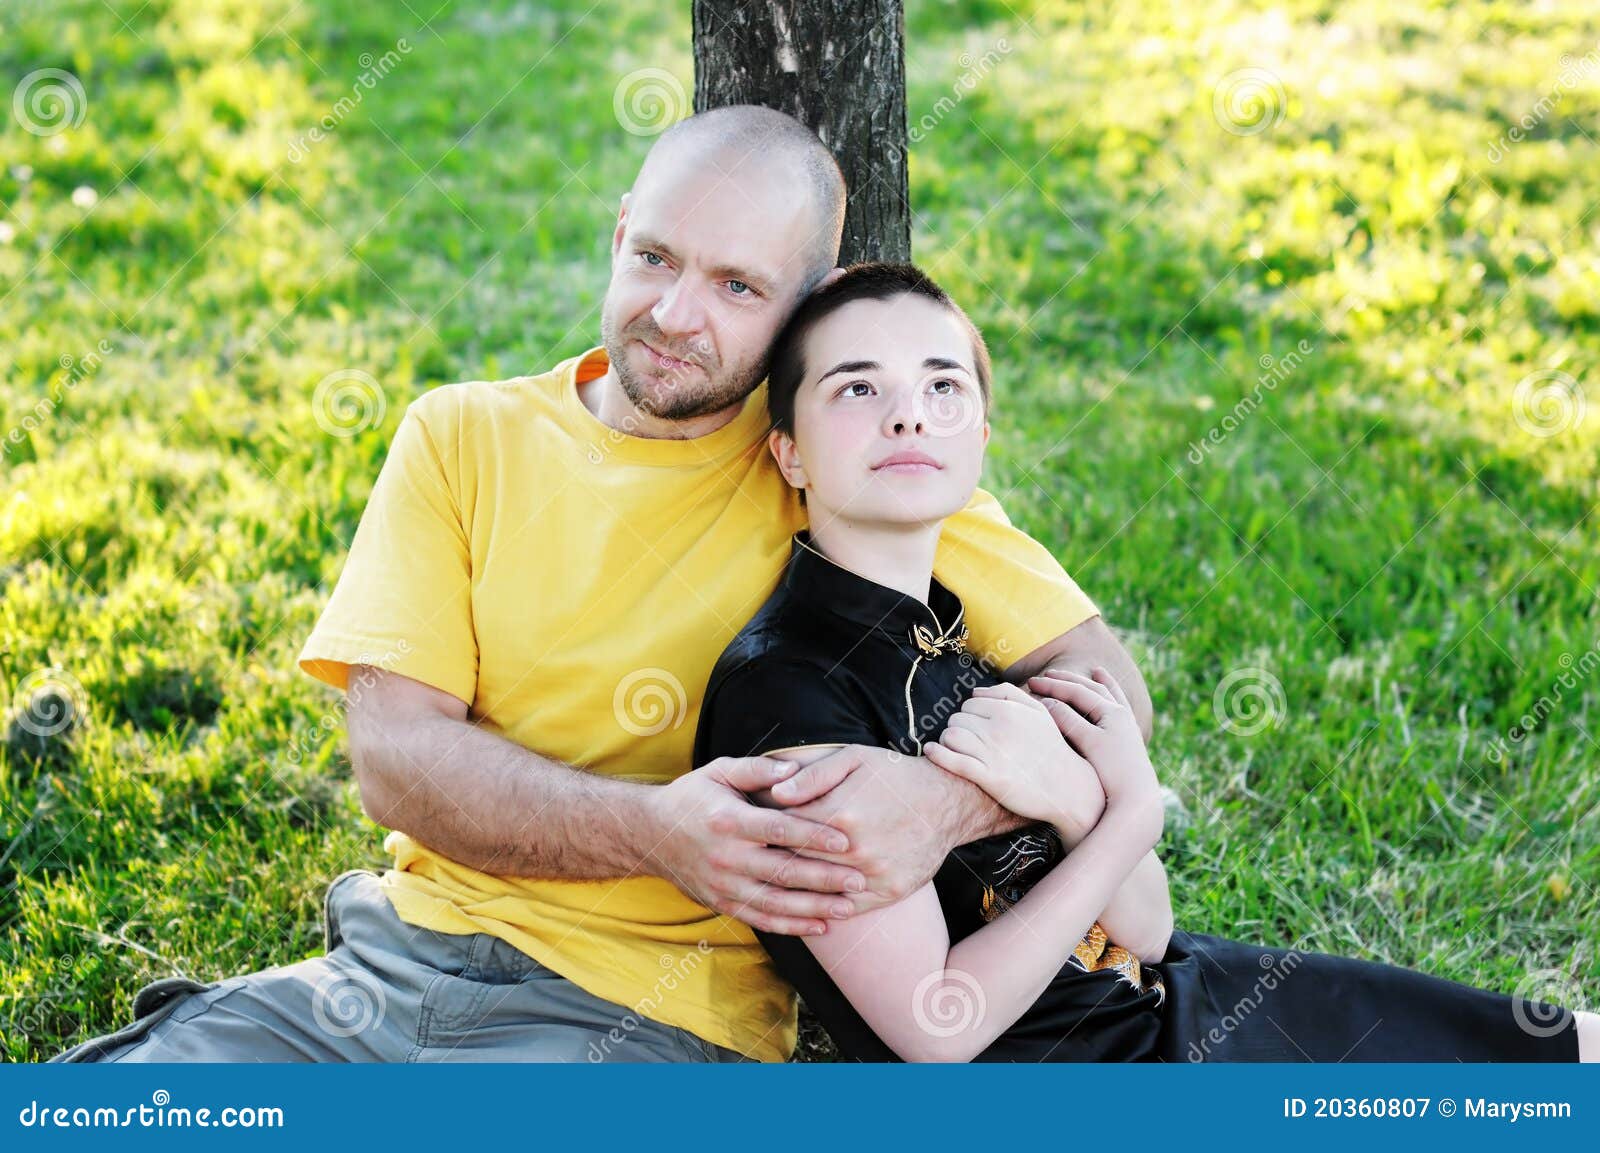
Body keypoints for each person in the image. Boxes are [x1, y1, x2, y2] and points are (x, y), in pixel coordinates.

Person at [51, 106, 1149, 1064]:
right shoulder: (462, 435)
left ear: (801, 308)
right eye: (657, 258)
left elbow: (1105, 686)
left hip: (643, 1023)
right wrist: (653, 830)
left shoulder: (839, 463)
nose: (675, 313)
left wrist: (944, 802)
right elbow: (396, 756)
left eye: (734, 285)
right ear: (619, 229)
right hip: (384, 973)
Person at [693, 261, 1596, 1062]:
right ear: (790, 452)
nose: (907, 413)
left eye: (944, 385)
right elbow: (939, 1026)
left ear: (981, 437)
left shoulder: (949, 629)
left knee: (1556, 1050)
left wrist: (1082, 799)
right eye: (857, 389)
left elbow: (1151, 925)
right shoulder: (787, 696)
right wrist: (1121, 812)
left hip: (1172, 995)